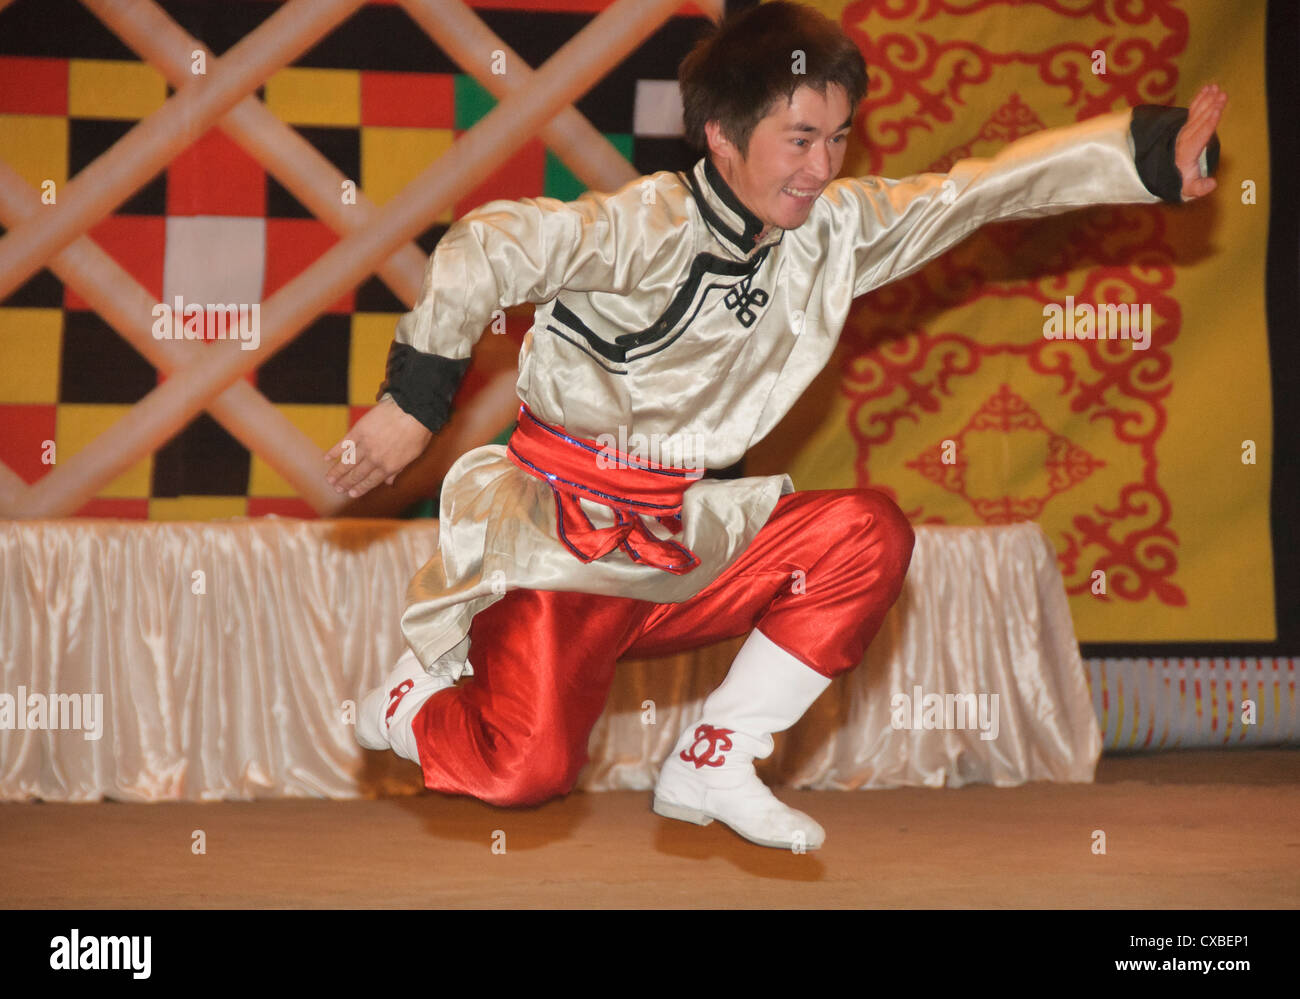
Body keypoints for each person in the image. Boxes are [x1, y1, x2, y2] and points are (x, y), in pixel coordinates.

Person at [324, 2, 1226, 850]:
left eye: (837, 138)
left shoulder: (831, 233)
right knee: (525, 773)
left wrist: (1146, 157)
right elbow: (486, 247)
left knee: (863, 536)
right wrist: (415, 401)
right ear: (723, 136)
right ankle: (412, 703)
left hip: (681, 538)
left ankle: (718, 757)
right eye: (799, 140)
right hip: (560, 547)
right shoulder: (643, 227)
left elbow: (973, 194)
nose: (822, 167)